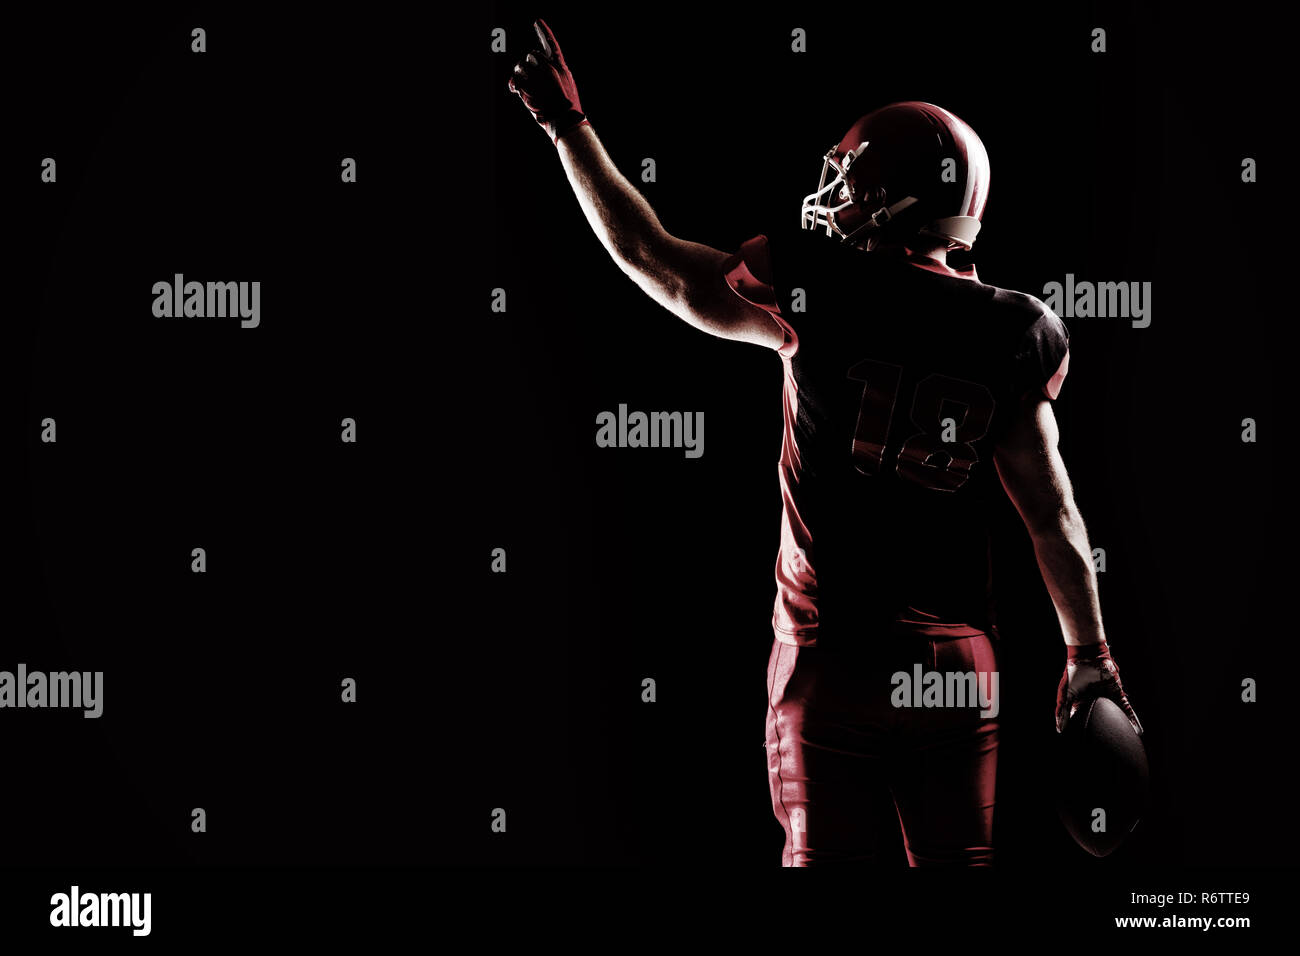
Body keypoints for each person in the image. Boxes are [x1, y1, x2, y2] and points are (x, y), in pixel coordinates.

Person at [508, 19, 1142, 866]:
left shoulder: (816, 287)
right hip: (955, 667)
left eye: (851, 180)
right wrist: (1090, 656)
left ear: (896, 200)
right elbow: (1053, 518)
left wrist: (568, 130)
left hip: (828, 658)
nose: (832, 193)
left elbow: (650, 256)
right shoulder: (1013, 330)